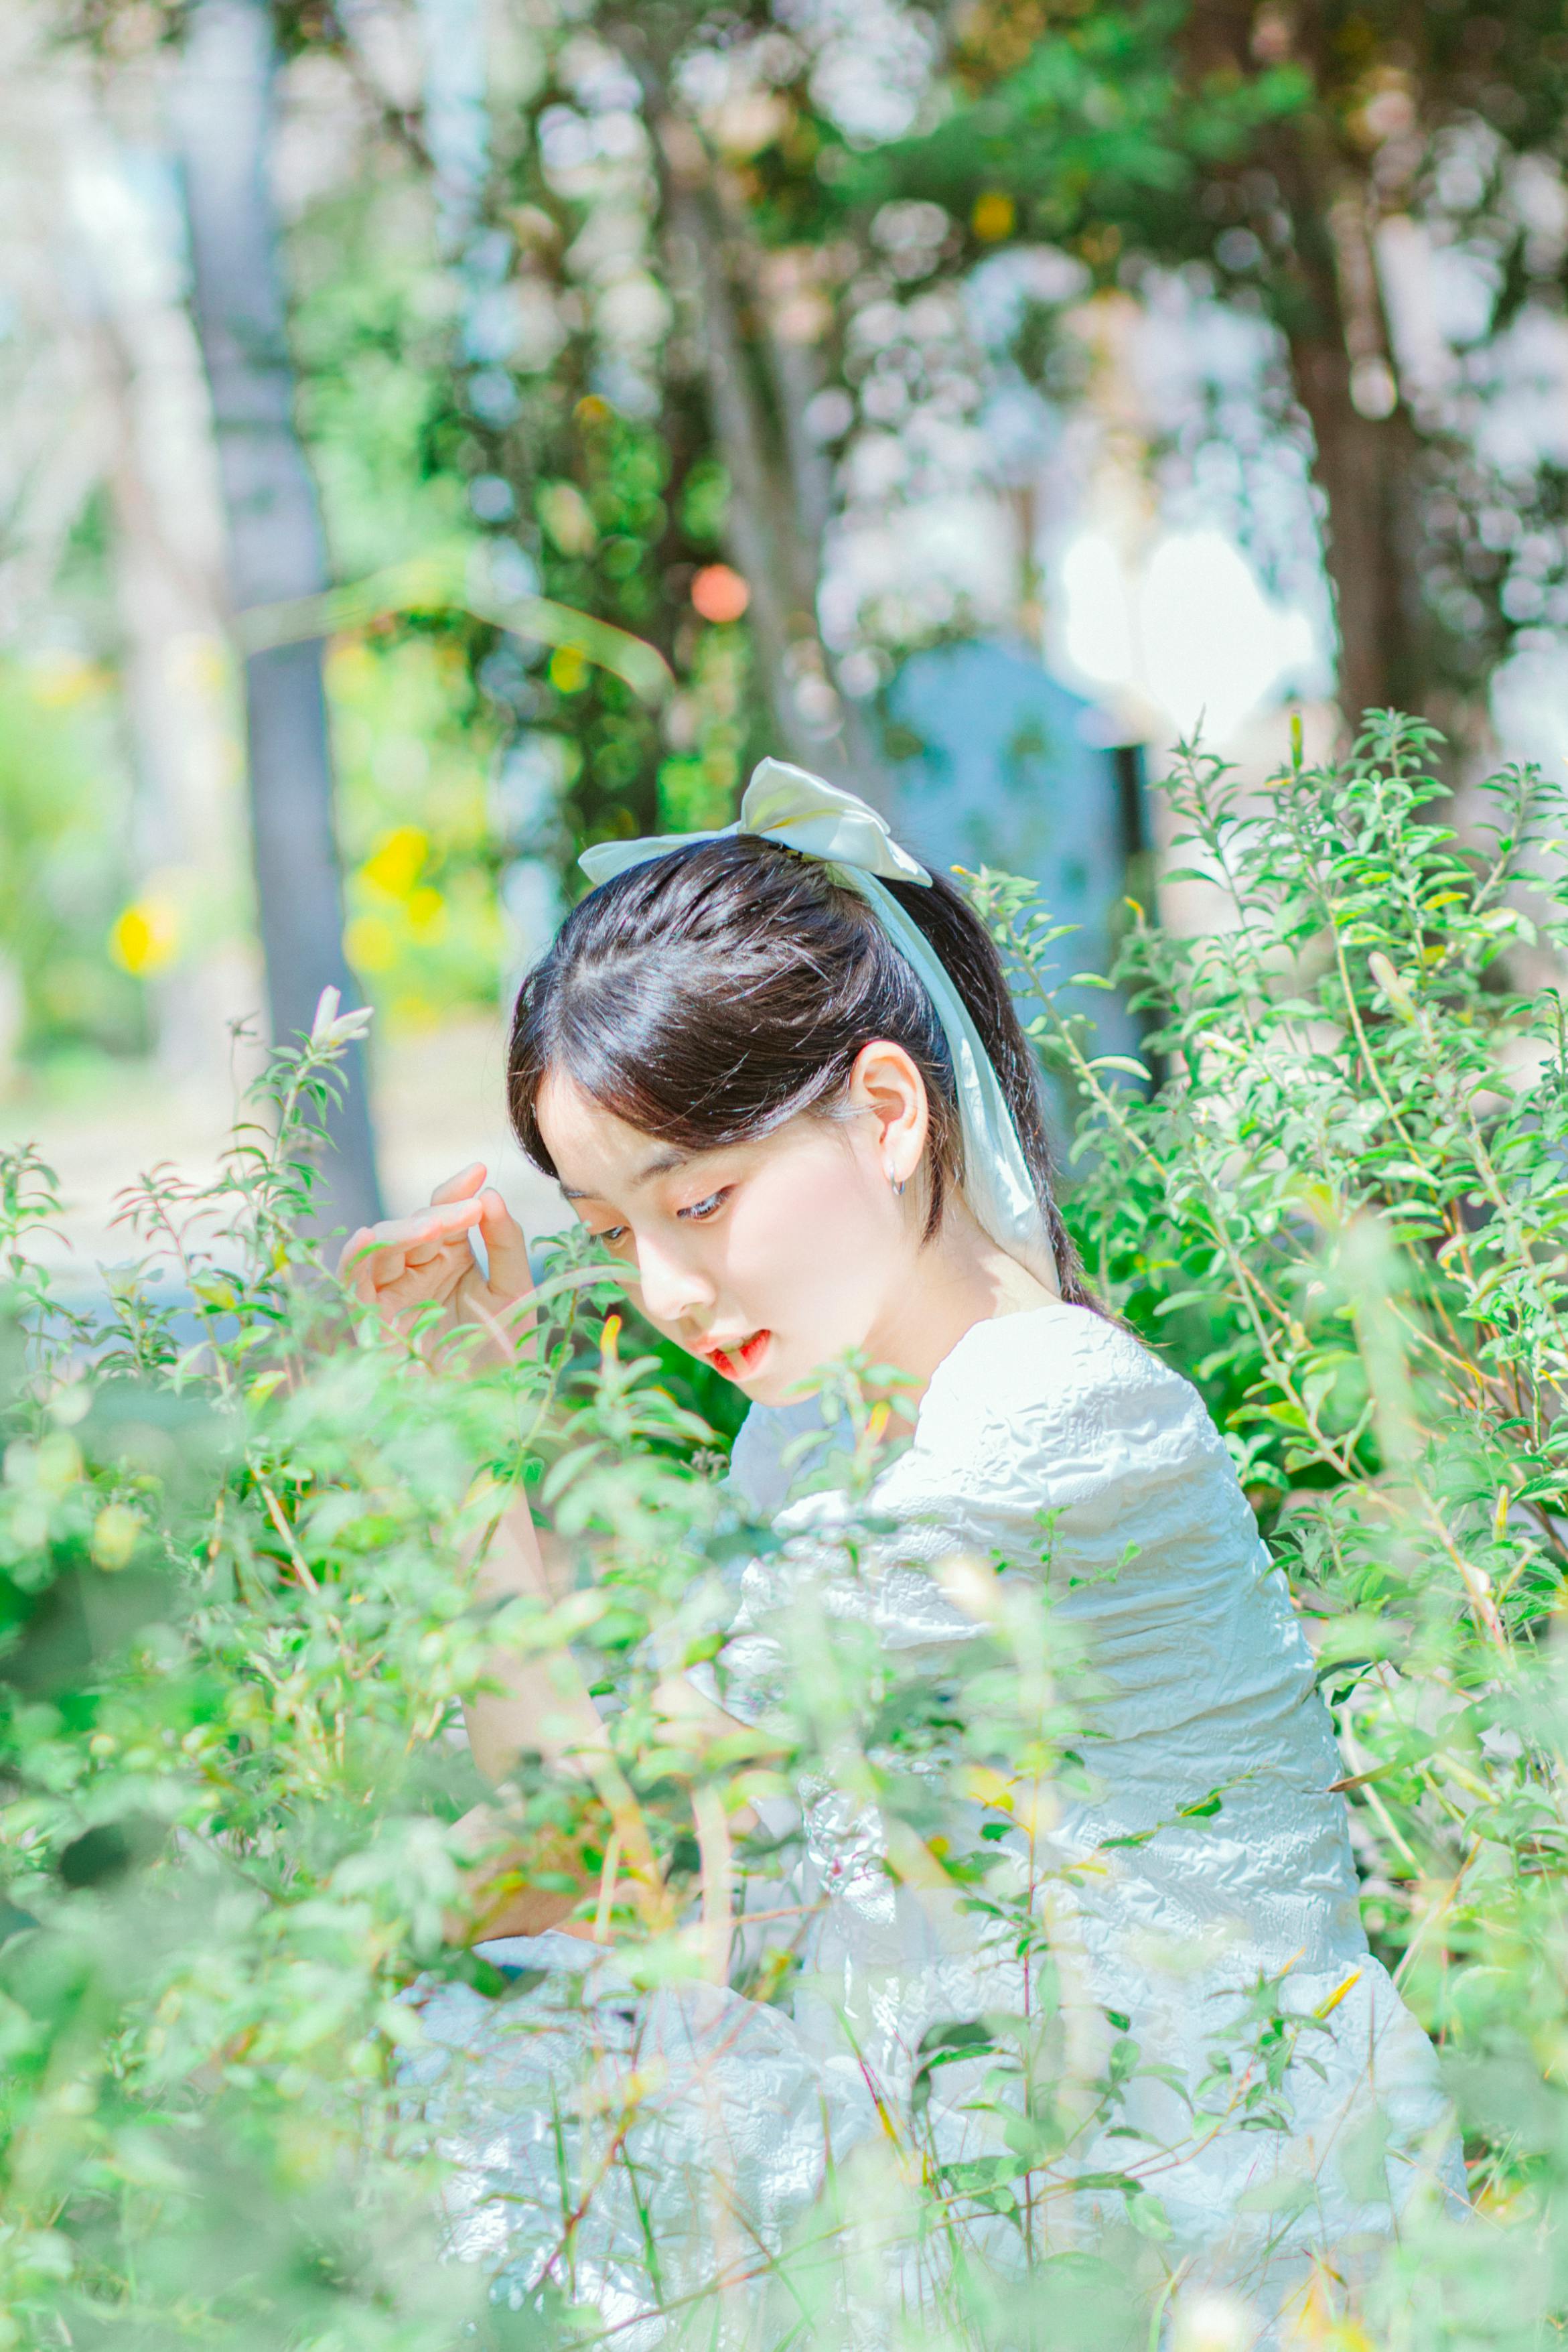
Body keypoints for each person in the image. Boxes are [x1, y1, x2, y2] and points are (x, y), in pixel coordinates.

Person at [344, 762, 1463, 2344]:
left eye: (702, 1197)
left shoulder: (1048, 1416)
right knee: (522, 2045)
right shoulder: (816, 1430)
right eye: (609, 1235)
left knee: (502, 2051)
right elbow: (591, 1907)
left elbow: (601, 1857)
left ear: (885, 1108)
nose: (663, 1287)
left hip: (1204, 2221)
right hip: (991, 2178)